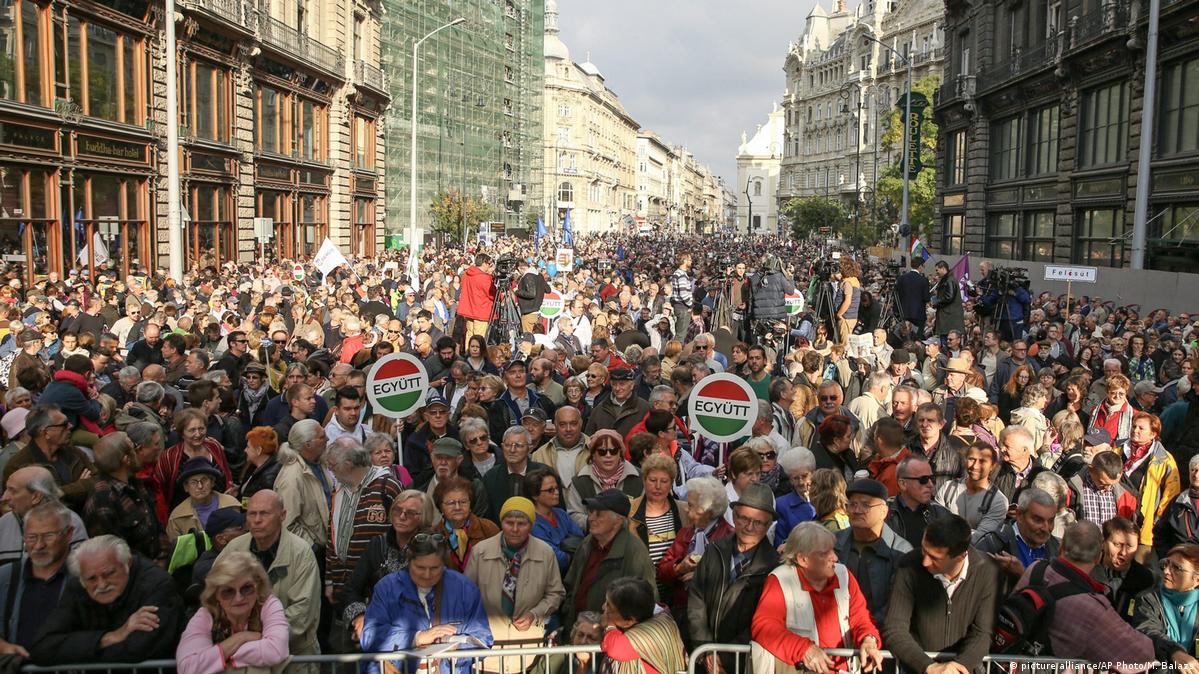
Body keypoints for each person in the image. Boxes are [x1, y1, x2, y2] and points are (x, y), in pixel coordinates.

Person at [1014, 521, 1154, 667]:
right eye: (1117, 544)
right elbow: (1142, 655)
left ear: (1061, 547)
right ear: (1098, 557)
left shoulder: (1035, 569)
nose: (1123, 552)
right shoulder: (1092, 606)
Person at [751, 522, 884, 674]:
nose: (835, 557)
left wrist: (869, 639)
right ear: (803, 559)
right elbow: (764, 626)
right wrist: (804, 649)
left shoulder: (844, 575)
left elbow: (861, 617)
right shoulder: (780, 580)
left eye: (833, 550)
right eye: (824, 553)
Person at [30, 535, 182, 665]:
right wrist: (111, 637)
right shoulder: (78, 585)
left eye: (109, 574)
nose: (102, 585)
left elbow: (139, 649)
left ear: (127, 563)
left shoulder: (156, 584)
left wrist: (74, 655)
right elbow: (43, 647)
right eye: (92, 579)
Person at [360, 532, 494, 674]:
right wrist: (417, 637)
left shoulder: (464, 588)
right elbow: (369, 636)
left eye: (435, 568)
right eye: (420, 568)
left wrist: (456, 651)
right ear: (409, 562)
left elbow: (483, 638)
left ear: (444, 564)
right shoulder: (387, 587)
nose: (427, 575)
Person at [883, 514, 998, 674]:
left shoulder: (987, 571)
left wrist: (957, 667)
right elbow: (894, 629)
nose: (925, 562)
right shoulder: (908, 565)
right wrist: (928, 666)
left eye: (935, 558)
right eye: (924, 550)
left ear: (960, 557)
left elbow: (982, 633)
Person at [218, 490, 321, 661]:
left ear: (283, 515)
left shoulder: (301, 553)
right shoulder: (234, 548)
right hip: (244, 658)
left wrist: (257, 636)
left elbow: (302, 612)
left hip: (293, 657)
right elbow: (214, 594)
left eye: (264, 513)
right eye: (252, 514)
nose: (257, 520)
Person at [688, 483, 780, 674]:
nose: (749, 527)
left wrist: (725, 658)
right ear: (735, 516)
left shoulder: (774, 567)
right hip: (704, 658)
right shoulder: (715, 549)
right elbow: (696, 599)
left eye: (758, 522)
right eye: (744, 518)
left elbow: (763, 622)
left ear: (768, 525)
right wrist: (705, 649)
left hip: (742, 663)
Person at [464, 496, 564, 659]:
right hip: (487, 645)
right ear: (501, 523)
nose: (515, 529)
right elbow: (466, 595)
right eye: (509, 523)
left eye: (522, 524)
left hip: (527, 647)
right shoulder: (481, 551)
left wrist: (534, 614)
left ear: (531, 525)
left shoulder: (545, 553)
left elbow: (555, 593)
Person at [341, 490, 436, 644]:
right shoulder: (377, 545)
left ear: (423, 518)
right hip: (379, 628)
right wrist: (360, 616)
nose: (402, 516)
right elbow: (350, 590)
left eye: (410, 513)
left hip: (421, 631)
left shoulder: (433, 549)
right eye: (397, 510)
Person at [176, 551, 289, 674]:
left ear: (258, 586)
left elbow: (277, 650)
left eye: (247, 588)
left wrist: (216, 658)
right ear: (215, 594)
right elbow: (187, 667)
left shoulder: (268, 605)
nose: (238, 598)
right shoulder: (206, 614)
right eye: (228, 591)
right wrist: (240, 638)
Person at [562, 489, 656, 632]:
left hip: (612, 635)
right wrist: (568, 613)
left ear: (618, 520)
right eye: (591, 511)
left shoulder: (635, 552)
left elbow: (644, 603)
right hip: (580, 630)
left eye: (599, 514)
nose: (591, 518)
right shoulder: (587, 543)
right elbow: (571, 584)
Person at [0, 502, 77, 654]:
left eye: (48, 536)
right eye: (31, 537)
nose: (39, 545)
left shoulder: (86, 575)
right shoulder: (6, 576)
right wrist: (3, 647)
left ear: (69, 534)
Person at [835, 478, 912, 626]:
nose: (857, 511)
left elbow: (895, 605)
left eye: (866, 505)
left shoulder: (900, 551)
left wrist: (866, 629)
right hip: (839, 629)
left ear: (884, 511)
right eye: (852, 504)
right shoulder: (834, 543)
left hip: (880, 632)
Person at [3, 404, 97, 511]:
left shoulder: (73, 453)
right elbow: (20, 505)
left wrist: (61, 492)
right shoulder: (18, 465)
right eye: (64, 424)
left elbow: (98, 480)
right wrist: (80, 487)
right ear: (46, 432)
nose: (70, 426)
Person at [975, 487, 1060, 595]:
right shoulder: (993, 544)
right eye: (1038, 520)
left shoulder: (1058, 550)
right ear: (1019, 515)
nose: (1046, 528)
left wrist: (1022, 574)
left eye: (1051, 521)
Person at [1121, 411, 1182, 558]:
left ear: (1153, 434)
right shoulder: (1118, 449)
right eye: (1134, 426)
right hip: (1117, 520)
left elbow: (1171, 496)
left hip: (1143, 527)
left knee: (1138, 566)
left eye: (1141, 428)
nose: (1135, 430)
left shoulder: (1165, 460)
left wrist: (1156, 522)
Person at [0, 466, 88, 563]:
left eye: (13, 491)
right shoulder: (5, 522)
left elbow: (79, 567)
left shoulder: (70, 522)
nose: (4, 497)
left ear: (36, 497)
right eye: (6, 489)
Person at [599, 577, 687, 674]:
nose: (603, 607)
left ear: (629, 621)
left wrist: (610, 625)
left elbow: (616, 649)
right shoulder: (645, 614)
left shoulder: (654, 629)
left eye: (609, 606)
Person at [1132, 543, 1199, 671]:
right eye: (1166, 564)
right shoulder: (1148, 598)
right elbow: (1148, 631)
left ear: (1196, 580)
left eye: (1177, 568)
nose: (1166, 571)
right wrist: (1174, 652)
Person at [153, 408, 233, 512]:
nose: (198, 434)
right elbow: (160, 488)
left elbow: (226, 472)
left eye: (201, 428)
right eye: (192, 430)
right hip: (184, 514)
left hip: (218, 511)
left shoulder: (214, 447)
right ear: (182, 433)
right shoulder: (169, 456)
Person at [565, 430, 644, 529]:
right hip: (593, 535)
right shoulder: (580, 481)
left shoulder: (639, 478)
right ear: (593, 455)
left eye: (613, 451)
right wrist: (597, 522)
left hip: (631, 535)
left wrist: (623, 523)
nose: (608, 455)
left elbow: (648, 511)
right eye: (602, 451)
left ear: (620, 453)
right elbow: (573, 515)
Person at [935, 441, 1009, 541]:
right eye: (971, 459)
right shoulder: (948, 488)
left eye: (982, 461)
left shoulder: (997, 501)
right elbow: (935, 523)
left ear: (993, 466)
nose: (975, 466)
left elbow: (981, 538)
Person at [481, 426, 549, 521]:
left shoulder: (544, 475)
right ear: (502, 447)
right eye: (508, 445)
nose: (512, 450)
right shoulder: (491, 477)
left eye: (519, 445)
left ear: (529, 449)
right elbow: (487, 516)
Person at [523, 467, 584, 572]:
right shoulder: (532, 523)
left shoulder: (561, 513)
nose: (556, 493)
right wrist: (573, 553)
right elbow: (556, 558)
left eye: (557, 488)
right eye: (550, 490)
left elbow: (582, 540)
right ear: (534, 495)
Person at [166, 457, 241, 542]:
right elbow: (177, 548)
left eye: (204, 480)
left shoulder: (232, 505)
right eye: (194, 482)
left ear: (212, 482)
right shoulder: (177, 517)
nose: (200, 486)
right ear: (186, 487)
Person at [885, 455, 952, 548]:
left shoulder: (941, 514)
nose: (930, 485)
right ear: (903, 484)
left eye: (932, 478)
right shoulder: (883, 513)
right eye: (923, 480)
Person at [1094, 516, 1155, 619]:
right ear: (1103, 543)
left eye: (1129, 546)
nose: (1123, 552)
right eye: (1117, 544)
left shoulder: (1145, 579)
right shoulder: (1089, 572)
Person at [436, 474, 499, 571]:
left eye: (463, 502)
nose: (457, 507)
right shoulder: (433, 534)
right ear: (440, 507)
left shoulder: (489, 529)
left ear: (470, 504)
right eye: (451, 503)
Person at [585, 367, 651, 438]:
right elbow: (589, 437)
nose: (617, 388)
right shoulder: (599, 409)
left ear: (632, 385)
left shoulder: (644, 408)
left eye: (622, 384)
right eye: (614, 384)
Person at [1154, 455, 1199, 557]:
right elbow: (1160, 534)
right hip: (1180, 561)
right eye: (1193, 470)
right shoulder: (1178, 502)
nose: (1196, 475)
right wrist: (1168, 557)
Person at [772, 448, 816, 547]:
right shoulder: (781, 504)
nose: (801, 482)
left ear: (813, 474)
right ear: (790, 480)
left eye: (804, 476)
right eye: (795, 478)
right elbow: (780, 542)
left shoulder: (824, 499)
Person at [240, 426, 282, 500]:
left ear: (258, 450)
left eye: (248, 447)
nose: (245, 450)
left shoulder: (268, 478)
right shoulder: (253, 466)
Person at [896, 256, 931, 339]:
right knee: (917, 338)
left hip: (903, 313)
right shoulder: (923, 280)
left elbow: (897, 296)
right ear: (920, 266)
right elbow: (926, 298)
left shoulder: (901, 278)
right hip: (918, 314)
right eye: (923, 266)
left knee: (903, 337)